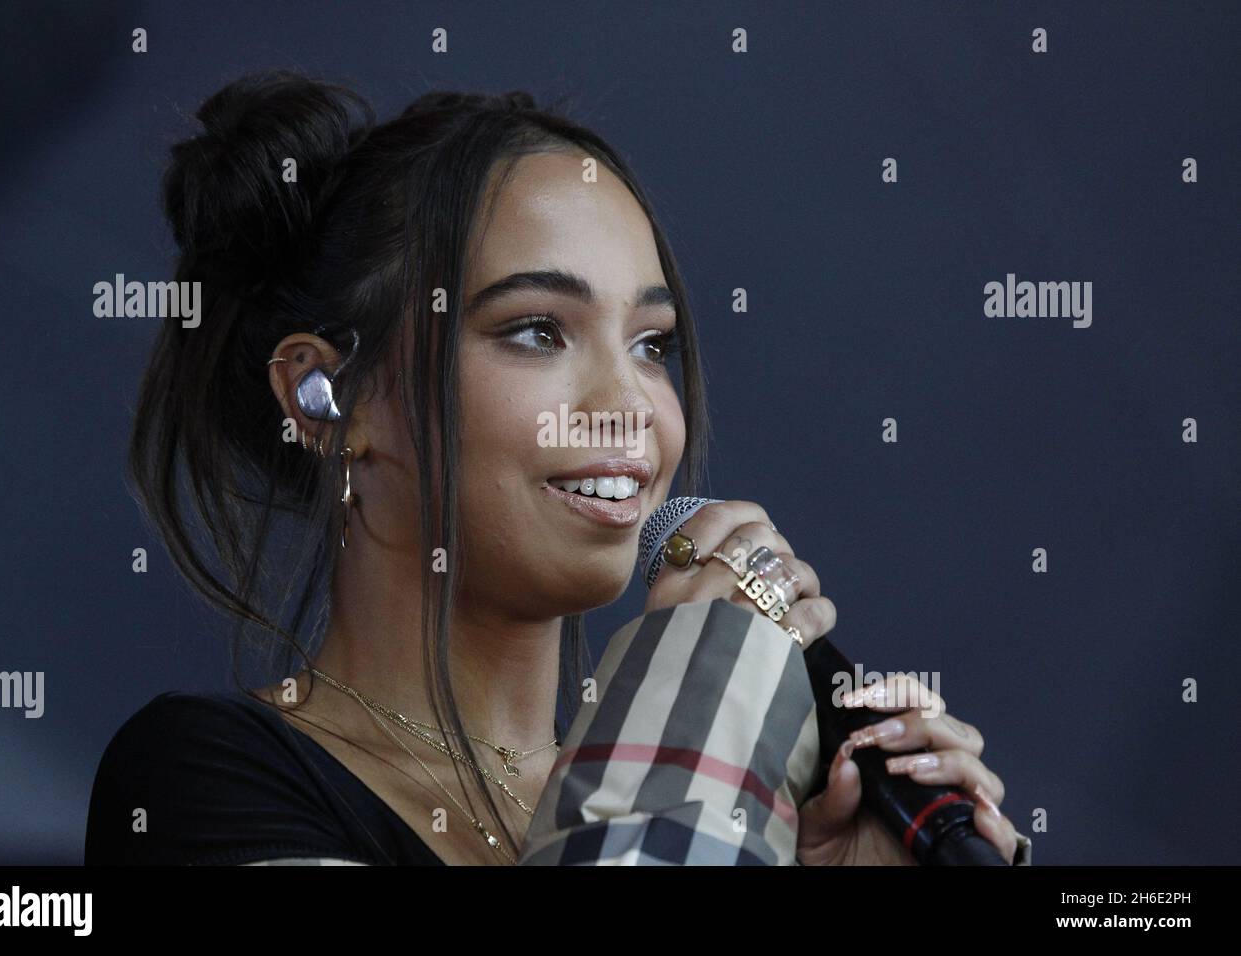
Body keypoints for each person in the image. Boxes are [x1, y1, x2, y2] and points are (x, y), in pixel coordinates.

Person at [85, 70, 1028, 866]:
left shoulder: (723, 811)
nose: (633, 407)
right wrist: (704, 677)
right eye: (538, 330)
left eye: (653, 344)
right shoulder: (192, 778)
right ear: (330, 398)